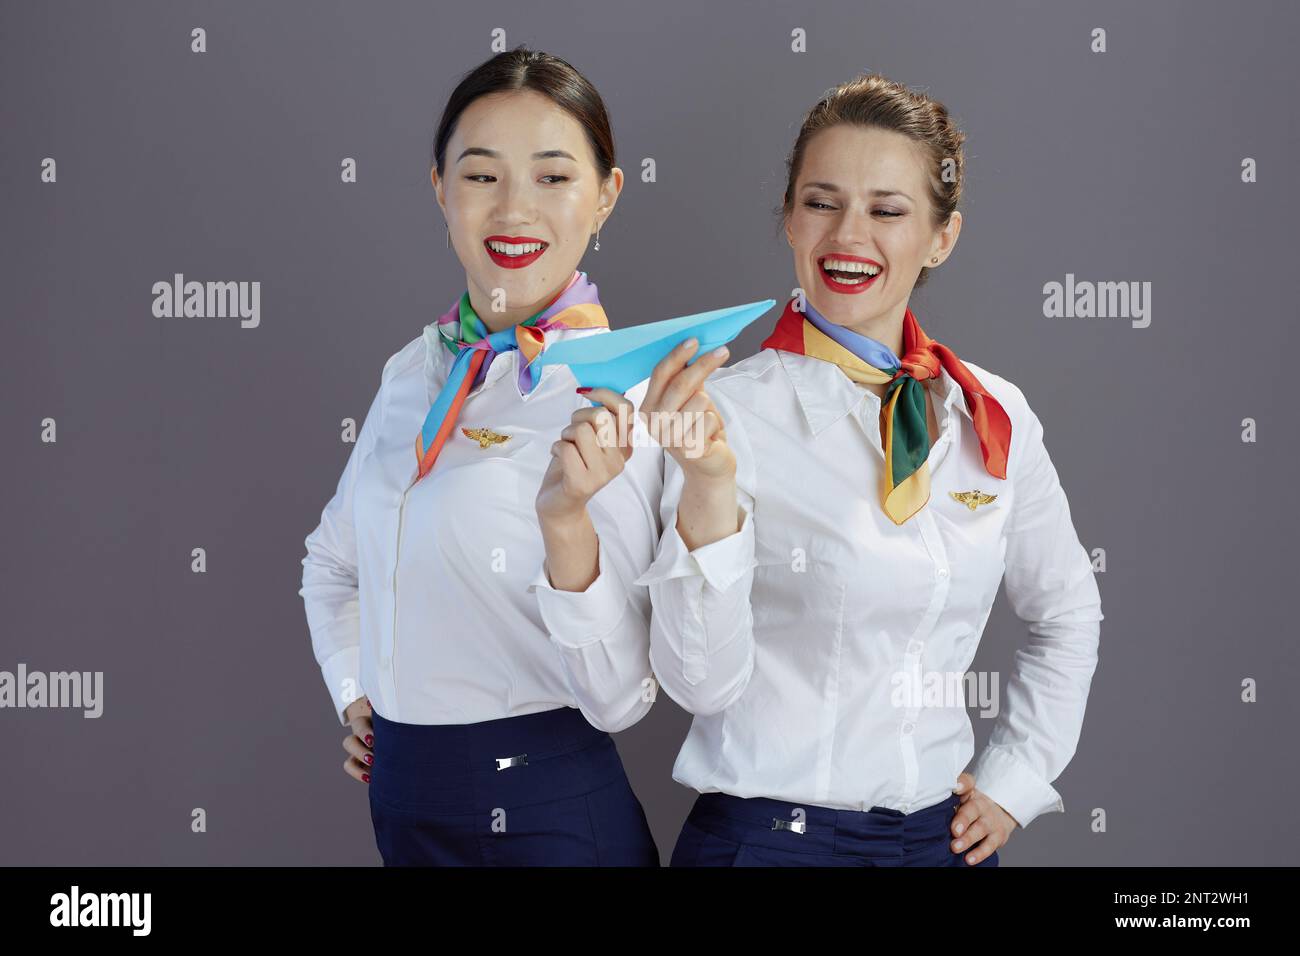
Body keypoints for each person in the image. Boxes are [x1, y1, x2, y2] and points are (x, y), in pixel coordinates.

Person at [635, 72, 1104, 866]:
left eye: (888, 210)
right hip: (767, 844)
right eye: (822, 202)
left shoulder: (992, 414)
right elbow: (698, 686)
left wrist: (1016, 779)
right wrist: (708, 485)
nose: (849, 235)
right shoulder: (721, 414)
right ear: (789, 218)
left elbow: (1068, 613)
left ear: (942, 236)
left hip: (937, 843)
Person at [298, 47, 664, 866]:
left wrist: (566, 520)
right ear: (439, 188)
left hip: (546, 814)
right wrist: (358, 690)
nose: (513, 210)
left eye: (552, 177)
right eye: (481, 175)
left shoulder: (626, 394)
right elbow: (332, 564)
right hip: (405, 803)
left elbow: (619, 698)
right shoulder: (413, 371)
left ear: (605, 196)